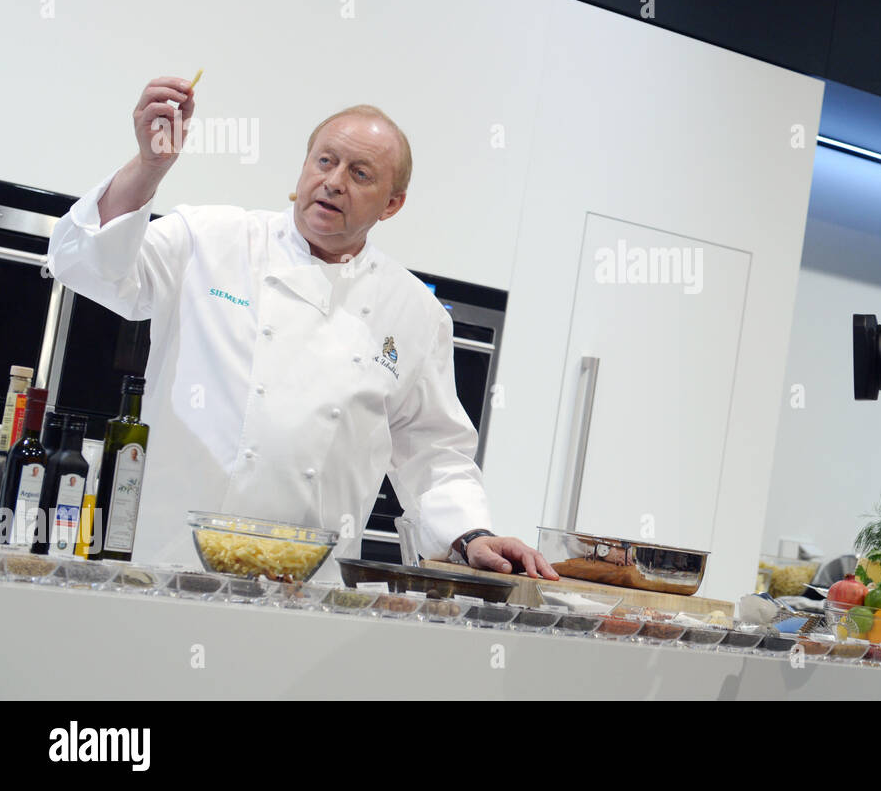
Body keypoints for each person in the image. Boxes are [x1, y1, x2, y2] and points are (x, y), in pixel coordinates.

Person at [47, 76, 560, 582]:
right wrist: (149, 166)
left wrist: (471, 535)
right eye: (325, 161)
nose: (334, 181)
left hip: (309, 593)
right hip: (171, 566)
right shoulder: (211, 239)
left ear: (392, 204)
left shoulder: (415, 313)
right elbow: (86, 265)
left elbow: (434, 452)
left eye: (361, 174)